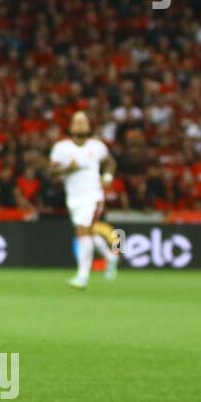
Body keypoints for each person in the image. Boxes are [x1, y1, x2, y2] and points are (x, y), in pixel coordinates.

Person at [48, 111, 119, 290]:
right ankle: (111, 257)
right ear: (71, 126)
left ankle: (82, 276)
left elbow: (110, 162)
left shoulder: (97, 146)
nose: (80, 124)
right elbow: (51, 174)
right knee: (88, 233)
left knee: (83, 232)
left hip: (93, 196)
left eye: (84, 121)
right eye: (77, 121)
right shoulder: (61, 148)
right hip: (73, 197)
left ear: (89, 126)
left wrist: (108, 177)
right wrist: (67, 169)